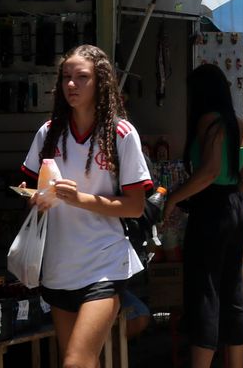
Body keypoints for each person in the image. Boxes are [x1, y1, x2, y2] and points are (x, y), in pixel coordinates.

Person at [18, 45, 152, 368]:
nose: (71, 85)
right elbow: (35, 192)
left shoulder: (121, 134)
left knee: (76, 362)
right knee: (78, 361)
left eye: (82, 77)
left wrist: (81, 200)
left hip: (104, 265)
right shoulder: (48, 133)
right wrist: (33, 198)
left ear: (101, 83)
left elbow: (135, 207)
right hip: (58, 267)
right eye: (66, 77)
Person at [161, 64, 243, 368]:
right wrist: (229, 194)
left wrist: (175, 198)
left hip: (211, 213)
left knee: (204, 292)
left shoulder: (210, 123)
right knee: (232, 290)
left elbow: (209, 171)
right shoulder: (238, 124)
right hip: (234, 209)